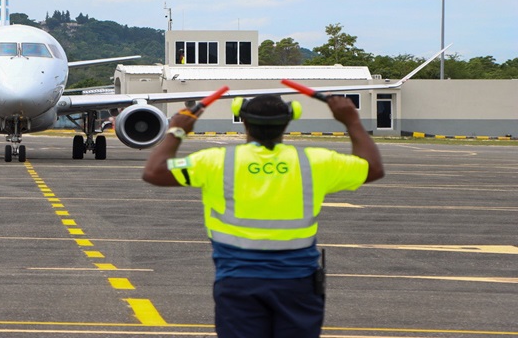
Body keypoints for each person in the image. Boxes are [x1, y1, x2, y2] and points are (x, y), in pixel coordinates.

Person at [142, 94, 384, 338]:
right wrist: (351, 121)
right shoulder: (315, 161)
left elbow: (154, 172)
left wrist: (177, 131)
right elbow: (372, 167)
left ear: (243, 120)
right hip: (298, 283)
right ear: (289, 120)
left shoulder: (216, 161)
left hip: (238, 281)